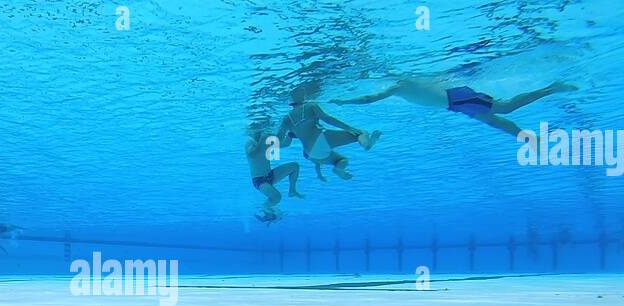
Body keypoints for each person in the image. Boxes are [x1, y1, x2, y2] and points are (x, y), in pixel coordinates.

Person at [331, 77, 577, 138]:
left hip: (457, 98)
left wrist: (343, 102)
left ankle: (552, 88)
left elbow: (370, 98)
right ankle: (530, 139)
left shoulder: (402, 84)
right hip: (454, 105)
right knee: (495, 121)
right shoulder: (403, 85)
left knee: (505, 108)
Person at [278, 81, 380, 182]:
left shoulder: (287, 119)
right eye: (302, 93)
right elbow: (327, 119)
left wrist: (265, 147)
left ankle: (339, 169)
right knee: (361, 132)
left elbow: (280, 140)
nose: (304, 94)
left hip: (310, 153)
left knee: (341, 160)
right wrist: (348, 128)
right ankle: (367, 145)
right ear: (300, 96)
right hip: (321, 137)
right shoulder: (310, 106)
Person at [245, 120, 303, 224]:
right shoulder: (250, 143)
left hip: (270, 175)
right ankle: (265, 207)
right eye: (256, 132)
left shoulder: (266, 141)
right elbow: (252, 154)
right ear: (251, 133)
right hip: (259, 181)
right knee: (277, 197)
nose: (258, 133)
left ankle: (292, 190)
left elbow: (285, 144)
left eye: (259, 132)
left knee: (294, 166)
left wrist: (290, 134)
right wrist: (262, 141)